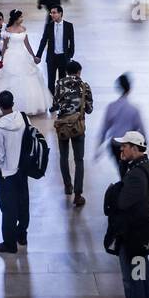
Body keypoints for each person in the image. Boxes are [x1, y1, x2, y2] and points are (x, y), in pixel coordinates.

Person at [110, 131, 149, 298]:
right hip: (143, 231)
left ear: (135, 148)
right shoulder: (147, 165)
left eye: (125, 146)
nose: (122, 148)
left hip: (133, 235)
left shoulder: (136, 175)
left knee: (133, 280)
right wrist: (123, 163)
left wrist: (113, 194)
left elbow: (122, 202)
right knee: (143, 276)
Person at [0, 9, 51, 116]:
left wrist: (33, 56)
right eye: (20, 17)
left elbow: (27, 44)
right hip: (11, 56)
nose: (22, 19)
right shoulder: (8, 30)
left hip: (23, 56)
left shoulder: (24, 29)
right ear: (16, 19)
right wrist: (1, 60)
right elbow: (5, 46)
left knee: (28, 79)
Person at [0, 90, 30, 255]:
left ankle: (9, 243)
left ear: (0, 106)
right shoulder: (23, 118)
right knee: (23, 203)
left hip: (6, 173)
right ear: (13, 103)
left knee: (7, 208)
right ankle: (22, 235)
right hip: (22, 170)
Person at [53, 59, 92, 207]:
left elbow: (55, 104)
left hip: (62, 125)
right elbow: (89, 108)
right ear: (78, 71)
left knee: (63, 157)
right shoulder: (84, 85)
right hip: (77, 126)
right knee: (79, 160)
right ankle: (78, 194)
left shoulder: (59, 84)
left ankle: (67, 186)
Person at [34, 4, 75, 101]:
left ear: (60, 13)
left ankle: (61, 101)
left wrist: (70, 56)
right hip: (52, 58)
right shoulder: (49, 26)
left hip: (63, 58)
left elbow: (72, 42)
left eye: (54, 13)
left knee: (62, 81)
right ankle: (52, 102)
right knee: (50, 82)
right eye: (51, 13)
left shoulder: (68, 26)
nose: (51, 15)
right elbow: (43, 41)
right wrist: (38, 56)